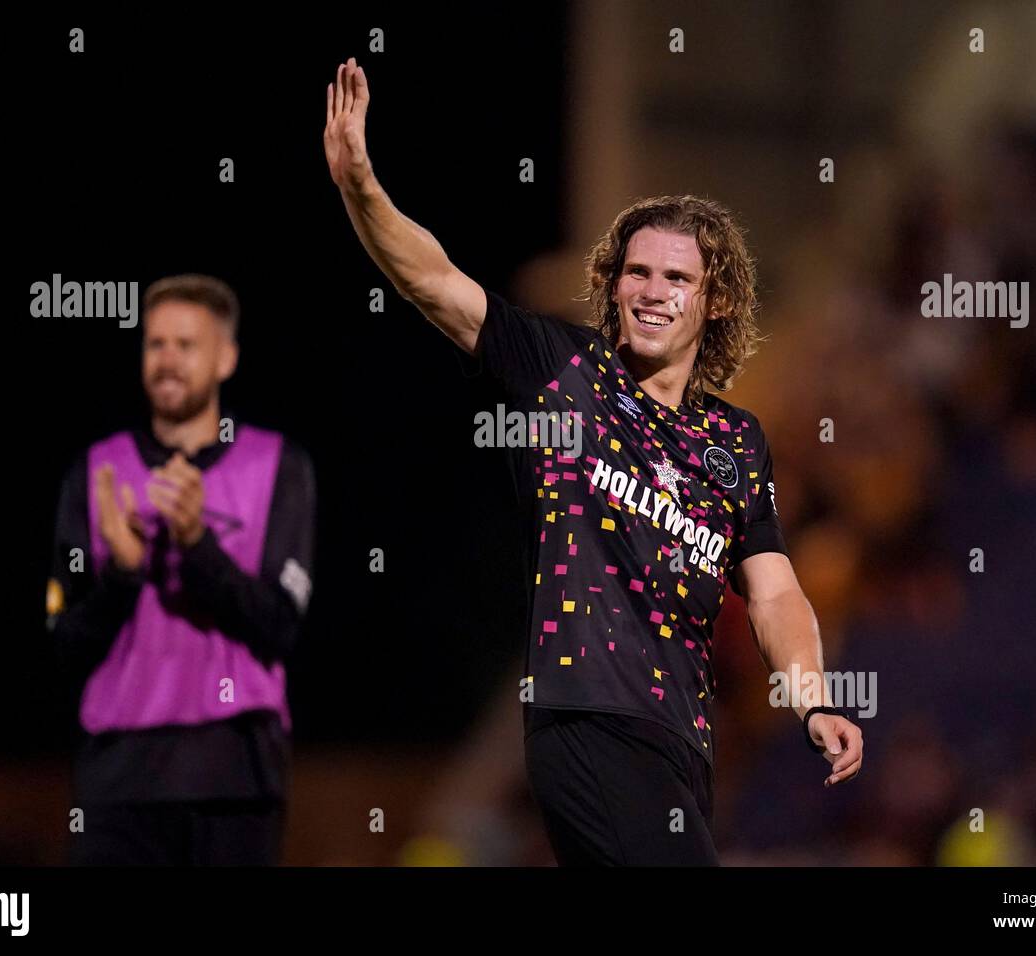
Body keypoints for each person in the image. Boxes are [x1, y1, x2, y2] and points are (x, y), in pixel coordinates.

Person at [324, 57, 862, 866]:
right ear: (613, 287)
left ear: (713, 302)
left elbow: (775, 588)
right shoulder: (563, 370)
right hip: (584, 720)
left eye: (676, 277)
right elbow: (433, 281)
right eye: (636, 272)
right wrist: (362, 187)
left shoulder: (737, 442)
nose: (652, 290)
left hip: (681, 740)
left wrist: (813, 698)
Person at [46, 274, 315, 865]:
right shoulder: (96, 472)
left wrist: (197, 545)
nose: (168, 360)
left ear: (226, 358)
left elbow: (280, 626)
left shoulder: (278, 467)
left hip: (235, 775)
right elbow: (64, 645)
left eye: (186, 345)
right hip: (119, 778)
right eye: (155, 344)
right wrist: (123, 572)